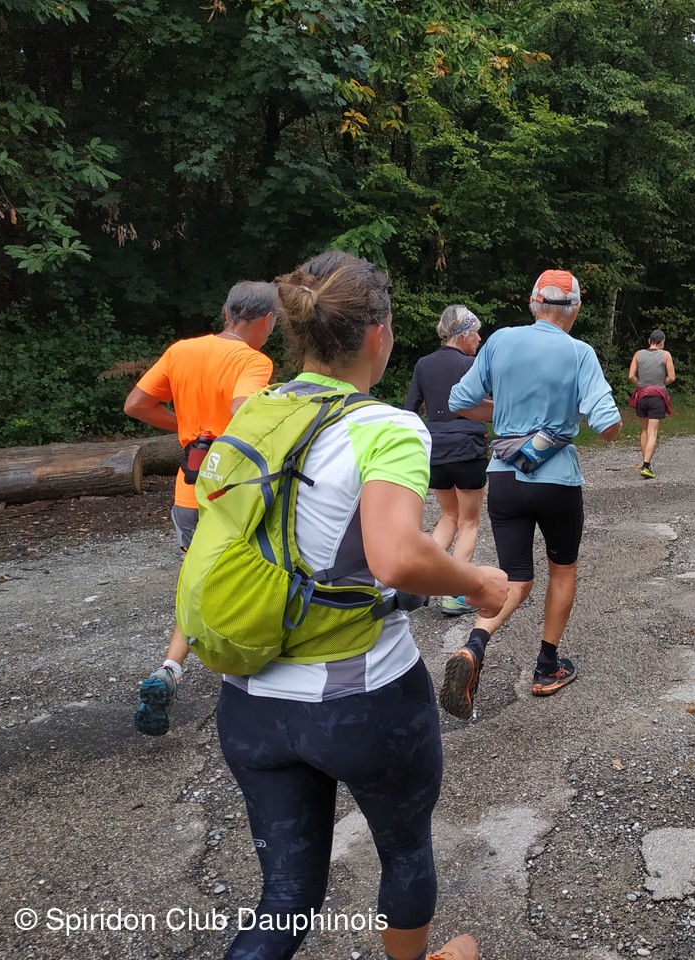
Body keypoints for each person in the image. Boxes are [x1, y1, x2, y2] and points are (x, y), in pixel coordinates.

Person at [212, 251, 508, 960]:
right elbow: (398, 555)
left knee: (286, 893)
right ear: (379, 333)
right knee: (405, 854)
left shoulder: (255, 411)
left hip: (248, 696)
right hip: (362, 699)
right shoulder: (386, 426)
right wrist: (478, 584)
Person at [439, 268, 621, 720]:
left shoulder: (499, 340)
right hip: (556, 482)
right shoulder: (580, 352)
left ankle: (474, 648)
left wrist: (509, 413)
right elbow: (610, 425)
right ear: (575, 309)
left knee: (516, 578)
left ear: (532, 303)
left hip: (503, 477)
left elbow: (460, 402)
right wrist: (565, 420)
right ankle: (546, 667)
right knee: (562, 569)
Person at [124, 281, 277, 736]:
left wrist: (186, 428)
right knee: (253, 576)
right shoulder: (254, 360)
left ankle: (170, 669)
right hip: (233, 490)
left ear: (227, 311)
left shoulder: (181, 351)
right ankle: (251, 672)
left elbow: (136, 404)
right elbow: (245, 412)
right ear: (267, 320)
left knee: (197, 580)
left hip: (188, 492)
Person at [404, 305, 491, 617]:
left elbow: (409, 408)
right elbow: (492, 403)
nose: (479, 338)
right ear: (463, 334)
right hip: (468, 446)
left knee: (448, 516)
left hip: (434, 449)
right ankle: (455, 595)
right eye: (476, 332)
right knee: (468, 521)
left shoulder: (424, 364)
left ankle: (419, 581)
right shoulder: (473, 364)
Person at [627, 328, 676, 479]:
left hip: (642, 396)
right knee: (653, 431)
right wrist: (661, 383)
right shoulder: (666, 355)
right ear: (662, 342)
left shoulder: (638, 354)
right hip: (657, 396)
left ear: (649, 341)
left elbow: (631, 376)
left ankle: (645, 461)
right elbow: (672, 377)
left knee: (644, 430)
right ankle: (646, 465)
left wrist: (640, 385)